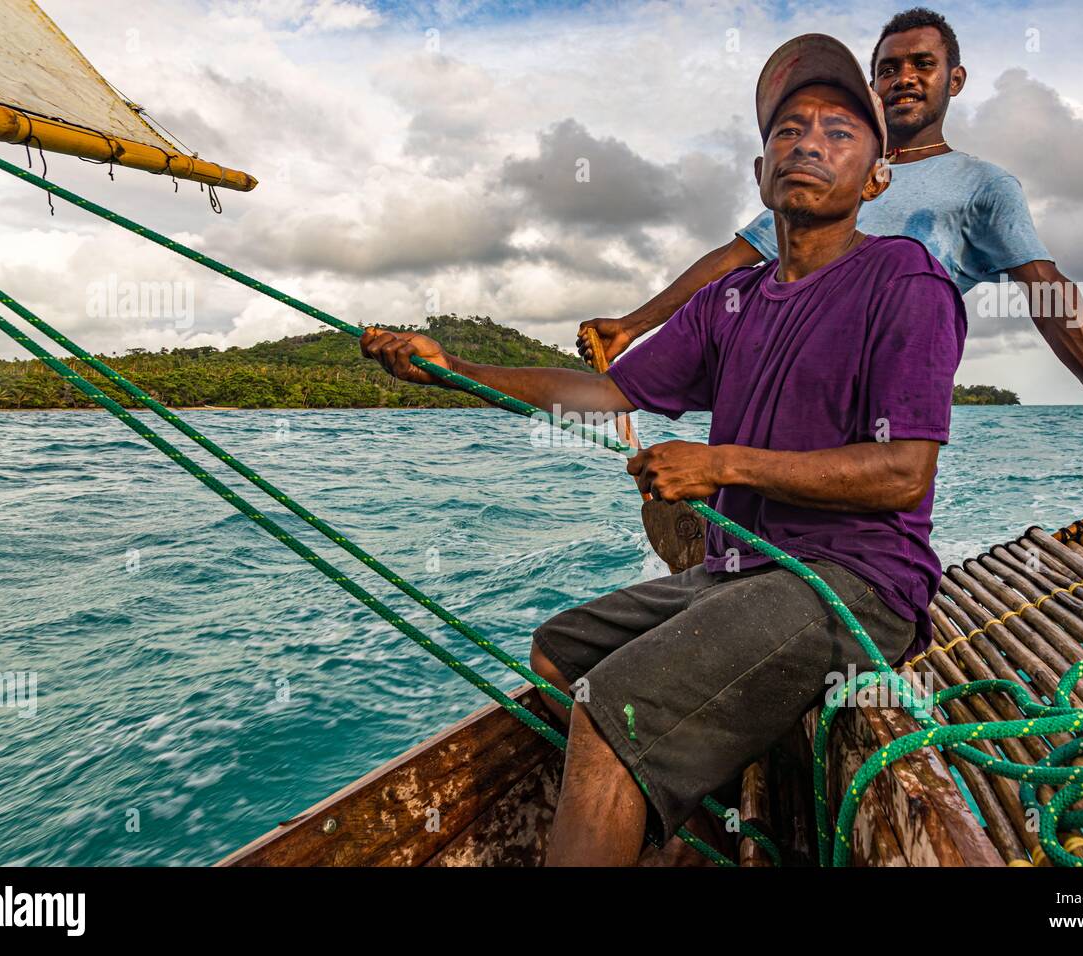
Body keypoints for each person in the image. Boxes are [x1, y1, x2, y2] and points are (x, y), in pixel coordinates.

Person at [360, 34, 967, 865]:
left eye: (838, 132)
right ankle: (654, 818)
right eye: (788, 131)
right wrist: (452, 369)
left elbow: (905, 474)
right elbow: (606, 392)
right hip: (738, 573)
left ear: (877, 177)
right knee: (556, 654)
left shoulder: (905, 280)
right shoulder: (731, 301)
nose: (809, 144)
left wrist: (720, 465)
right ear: (760, 177)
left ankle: (629, 791)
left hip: (857, 583)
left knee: (618, 706)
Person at [578, 6, 1083, 509]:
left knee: (861, 546)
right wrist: (633, 324)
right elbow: (736, 260)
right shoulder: (823, 171)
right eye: (888, 69)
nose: (905, 78)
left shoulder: (982, 187)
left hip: (871, 419)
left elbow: (1050, 296)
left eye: (924, 64)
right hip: (775, 397)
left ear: (956, 79)